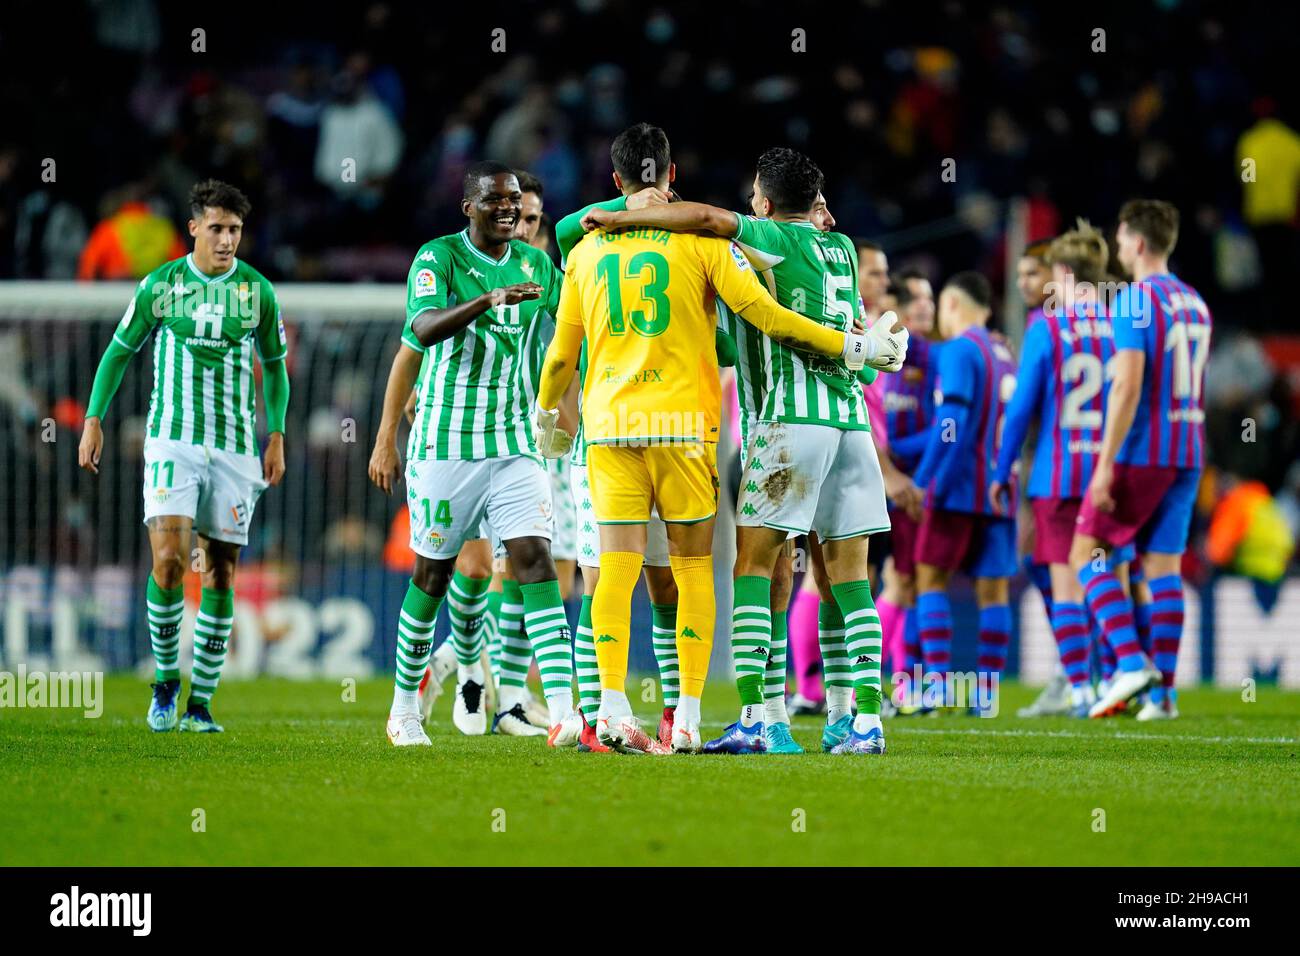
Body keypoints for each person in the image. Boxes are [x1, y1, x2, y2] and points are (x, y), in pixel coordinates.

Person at [537, 150, 884, 754]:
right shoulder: (843, 250)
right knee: (844, 578)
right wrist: (860, 351)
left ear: (767, 203)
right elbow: (742, 325)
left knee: (738, 569)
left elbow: (725, 251)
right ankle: (855, 720)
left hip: (769, 423)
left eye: (754, 194)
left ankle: (748, 714)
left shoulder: (734, 238)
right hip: (847, 422)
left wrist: (622, 216)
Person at [368, 161, 580, 748]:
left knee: (535, 559)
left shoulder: (538, 264)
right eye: (496, 201)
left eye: (515, 201)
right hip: (444, 444)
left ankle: (562, 711)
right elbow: (423, 327)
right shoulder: (438, 258)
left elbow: (573, 324)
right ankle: (403, 709)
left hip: (514, 444)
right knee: (434, 575)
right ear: (469, 207)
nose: (509, 209)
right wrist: (387, 435)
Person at [78, 179, 290, 733]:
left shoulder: (259, 293)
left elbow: (276, 369)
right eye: (216, 228)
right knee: (170, 560)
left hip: (237, 447)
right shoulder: (161, 286)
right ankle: (167, 683)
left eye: (235, 230)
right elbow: (118, 353)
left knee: (220, 572)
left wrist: (278, 436)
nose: (226, 240)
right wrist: (93, 419)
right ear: (193, 228)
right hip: (172, 439)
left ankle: (202, 703)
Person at [1071, 200, 1212, 720]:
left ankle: (1130, 662)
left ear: (1136, 242)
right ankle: (1164, 696)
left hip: (1143, 450)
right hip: (1188, 450)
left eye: (1122, 237)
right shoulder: (1196, 303)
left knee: (1086, 551)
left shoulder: (1134, 300)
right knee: (1163, 567)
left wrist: (1105, 463)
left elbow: (1128, 383)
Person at [991, 222, 1115, 716]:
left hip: (1060, 474)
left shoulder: (1049, 326)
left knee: (1064, 579)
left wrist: (1002, 471)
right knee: (1111, 574)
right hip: (1110, 473)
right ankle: (1120, 675)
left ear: (1062, 271)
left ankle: (1081, 688)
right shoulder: (1121, 324)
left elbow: (1020, 409)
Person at [912, 271, 1018, 714]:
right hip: (1000, 489)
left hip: (956, 488)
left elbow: (950, 424)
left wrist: (923, 480)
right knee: (993, 594)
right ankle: (986, 696)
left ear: (951, 305)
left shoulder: (959, 350)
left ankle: (935, 687)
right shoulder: (1003, 353)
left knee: (929, 580)